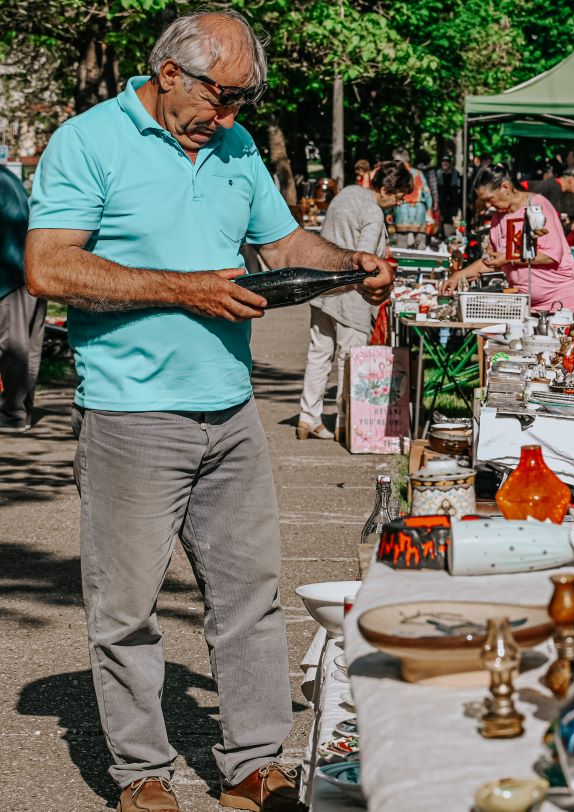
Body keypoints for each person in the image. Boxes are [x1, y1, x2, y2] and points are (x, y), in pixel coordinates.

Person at [24, 11, 394, 812]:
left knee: (250, 598)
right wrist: (183, 288)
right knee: (127, 610)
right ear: (169, 74)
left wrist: (350, 265)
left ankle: (253, 765)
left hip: (229, 412)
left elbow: (284, 244)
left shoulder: (234, 145)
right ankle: (142, 773)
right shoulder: (89, 140)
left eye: (241, 103)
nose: (226, 119)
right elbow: (48, 267)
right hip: (130, 414)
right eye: (219, 99)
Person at [298, 161, 410, 439]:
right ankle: (345, 422)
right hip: (351, 294)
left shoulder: (347, 193)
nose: (398, 203)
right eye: (398, 196)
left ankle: (308, 418)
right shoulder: (373, 212)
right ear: (386, 189)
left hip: (322, 286)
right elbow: (366, 258)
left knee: (319, 353)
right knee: (350, 360)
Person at [439, 163, 574, 312]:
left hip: (559, 301)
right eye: (484, 201)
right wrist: (458, 276)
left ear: (505, 187)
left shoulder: (537, 206)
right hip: (523, 304)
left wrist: (507, 258)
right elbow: (491, 262)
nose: (488, 205)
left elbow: (550, 255)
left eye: (490, 199)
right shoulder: (497, 219)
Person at [0, 167, 43, 432]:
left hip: (10, 273)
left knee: (13, 346)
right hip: (32, 268)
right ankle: (22, 410)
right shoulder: (8, 177)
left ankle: (12, 414)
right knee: (28, 344)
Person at [392, 148, 433, 249]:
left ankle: (401, 259)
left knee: (401, 242)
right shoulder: (418, 173)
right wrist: (429, 209)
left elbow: (392, 193)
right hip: (419, 209)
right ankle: (420, 258)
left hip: (402, 209)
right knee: (420, 242)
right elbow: (427, 192)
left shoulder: (397, 175)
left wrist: (389, 211)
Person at [434, 154, 461, 235]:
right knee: (442, 218)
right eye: (443, 161)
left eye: (447, 162)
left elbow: (458, 188)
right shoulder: (437, 173)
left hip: (453, 201)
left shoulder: (455, 173)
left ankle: (451, 234)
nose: (445, 163)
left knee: (452, 219)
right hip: (442, 200)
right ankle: (442, 234)